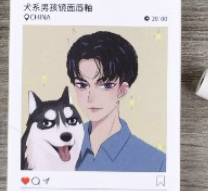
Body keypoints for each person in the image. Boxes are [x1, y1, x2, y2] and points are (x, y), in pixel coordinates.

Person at [65, 31, 166, 172]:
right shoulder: (57, 145)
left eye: (105, 85)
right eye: (82, 85)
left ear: (122, 90)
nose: (91, 97)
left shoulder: (156, 162)